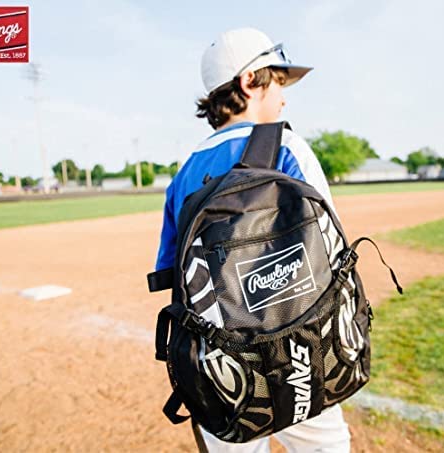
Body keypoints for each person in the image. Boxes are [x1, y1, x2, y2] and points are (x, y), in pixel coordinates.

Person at [155, 27, 350, 452]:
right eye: (278, 82)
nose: (284, 96)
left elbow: (173, 276)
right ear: (249, 82)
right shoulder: (289, 147)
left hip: (223, 372)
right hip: (299, 357)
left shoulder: (185, 171)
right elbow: (332, 255)